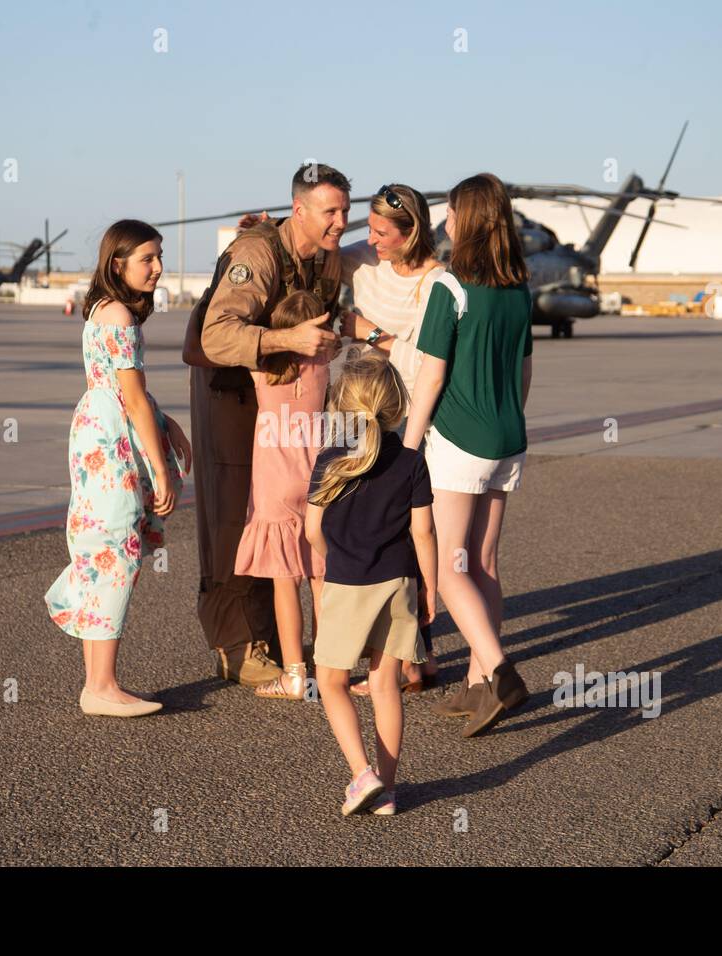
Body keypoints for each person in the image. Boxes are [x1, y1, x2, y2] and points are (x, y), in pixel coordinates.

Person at [240, 183, 445, 695]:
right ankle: (389, 659)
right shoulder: (360, 259)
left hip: (408, 412)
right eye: (367, 229)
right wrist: (267, 235)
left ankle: (405, 657)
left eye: (381, 233)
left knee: (396, 533)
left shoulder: (437, 282)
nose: (368, 240)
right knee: (378, 536)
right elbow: (312, 253)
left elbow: (426, 361)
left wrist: (372, 337)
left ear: (410, 232)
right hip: (358, 419)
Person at [182, 163, 346, 686]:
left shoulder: (326, 260)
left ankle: (294, 641)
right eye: (331, 211)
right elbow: (215, 338)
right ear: (300, 210)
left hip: (288, 405)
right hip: (232, 392)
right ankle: (238, 641)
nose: (342, 221)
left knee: (300, 526)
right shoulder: (255, 253)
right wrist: (288, 341)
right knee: (237, 519)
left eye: (346, 210)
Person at [403, 173, 533, 738]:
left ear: (469, 218)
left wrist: (409, 447)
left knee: (451, 567)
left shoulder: (449, 286)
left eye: (451, 211)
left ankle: (501, 673)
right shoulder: (518, 287)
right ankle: (478, 684)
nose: (445, 220)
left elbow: (430, 376)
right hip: (509, 437)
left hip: (459, 439)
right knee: (485, 563)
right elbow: (525, 370)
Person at [45, 219, 191, 717]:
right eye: (147, 258)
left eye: (159, 257)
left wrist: (165, 421)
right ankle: (101, 686)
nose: (158, 268)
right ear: (117, 264)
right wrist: (162, 469)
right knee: (116, 549)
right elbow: (129, 394)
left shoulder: (103, 311)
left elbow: (119, 388)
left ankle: (97, 683)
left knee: (102, 543)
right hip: (112, 437)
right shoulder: (121, 318)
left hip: (98, 427)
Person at [306, 351, 437, 815]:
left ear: (341, 406)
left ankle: (362, 774)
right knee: (385, 686)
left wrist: (335, 559)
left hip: (347, 582)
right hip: (399, 582)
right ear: (397, 405)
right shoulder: (410, 462)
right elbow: (423, 532)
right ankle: (389, 790)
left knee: (332, 680)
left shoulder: (330, 460)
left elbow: (311, 532)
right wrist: (430, 589)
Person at [234, 290, 331, 700]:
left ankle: (294, 674)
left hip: (275, 482)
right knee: (321, 577)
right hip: (318, 480)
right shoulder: (324, 365)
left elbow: (236, 337)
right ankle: (328, 669)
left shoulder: (261, 368)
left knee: (285, 581)